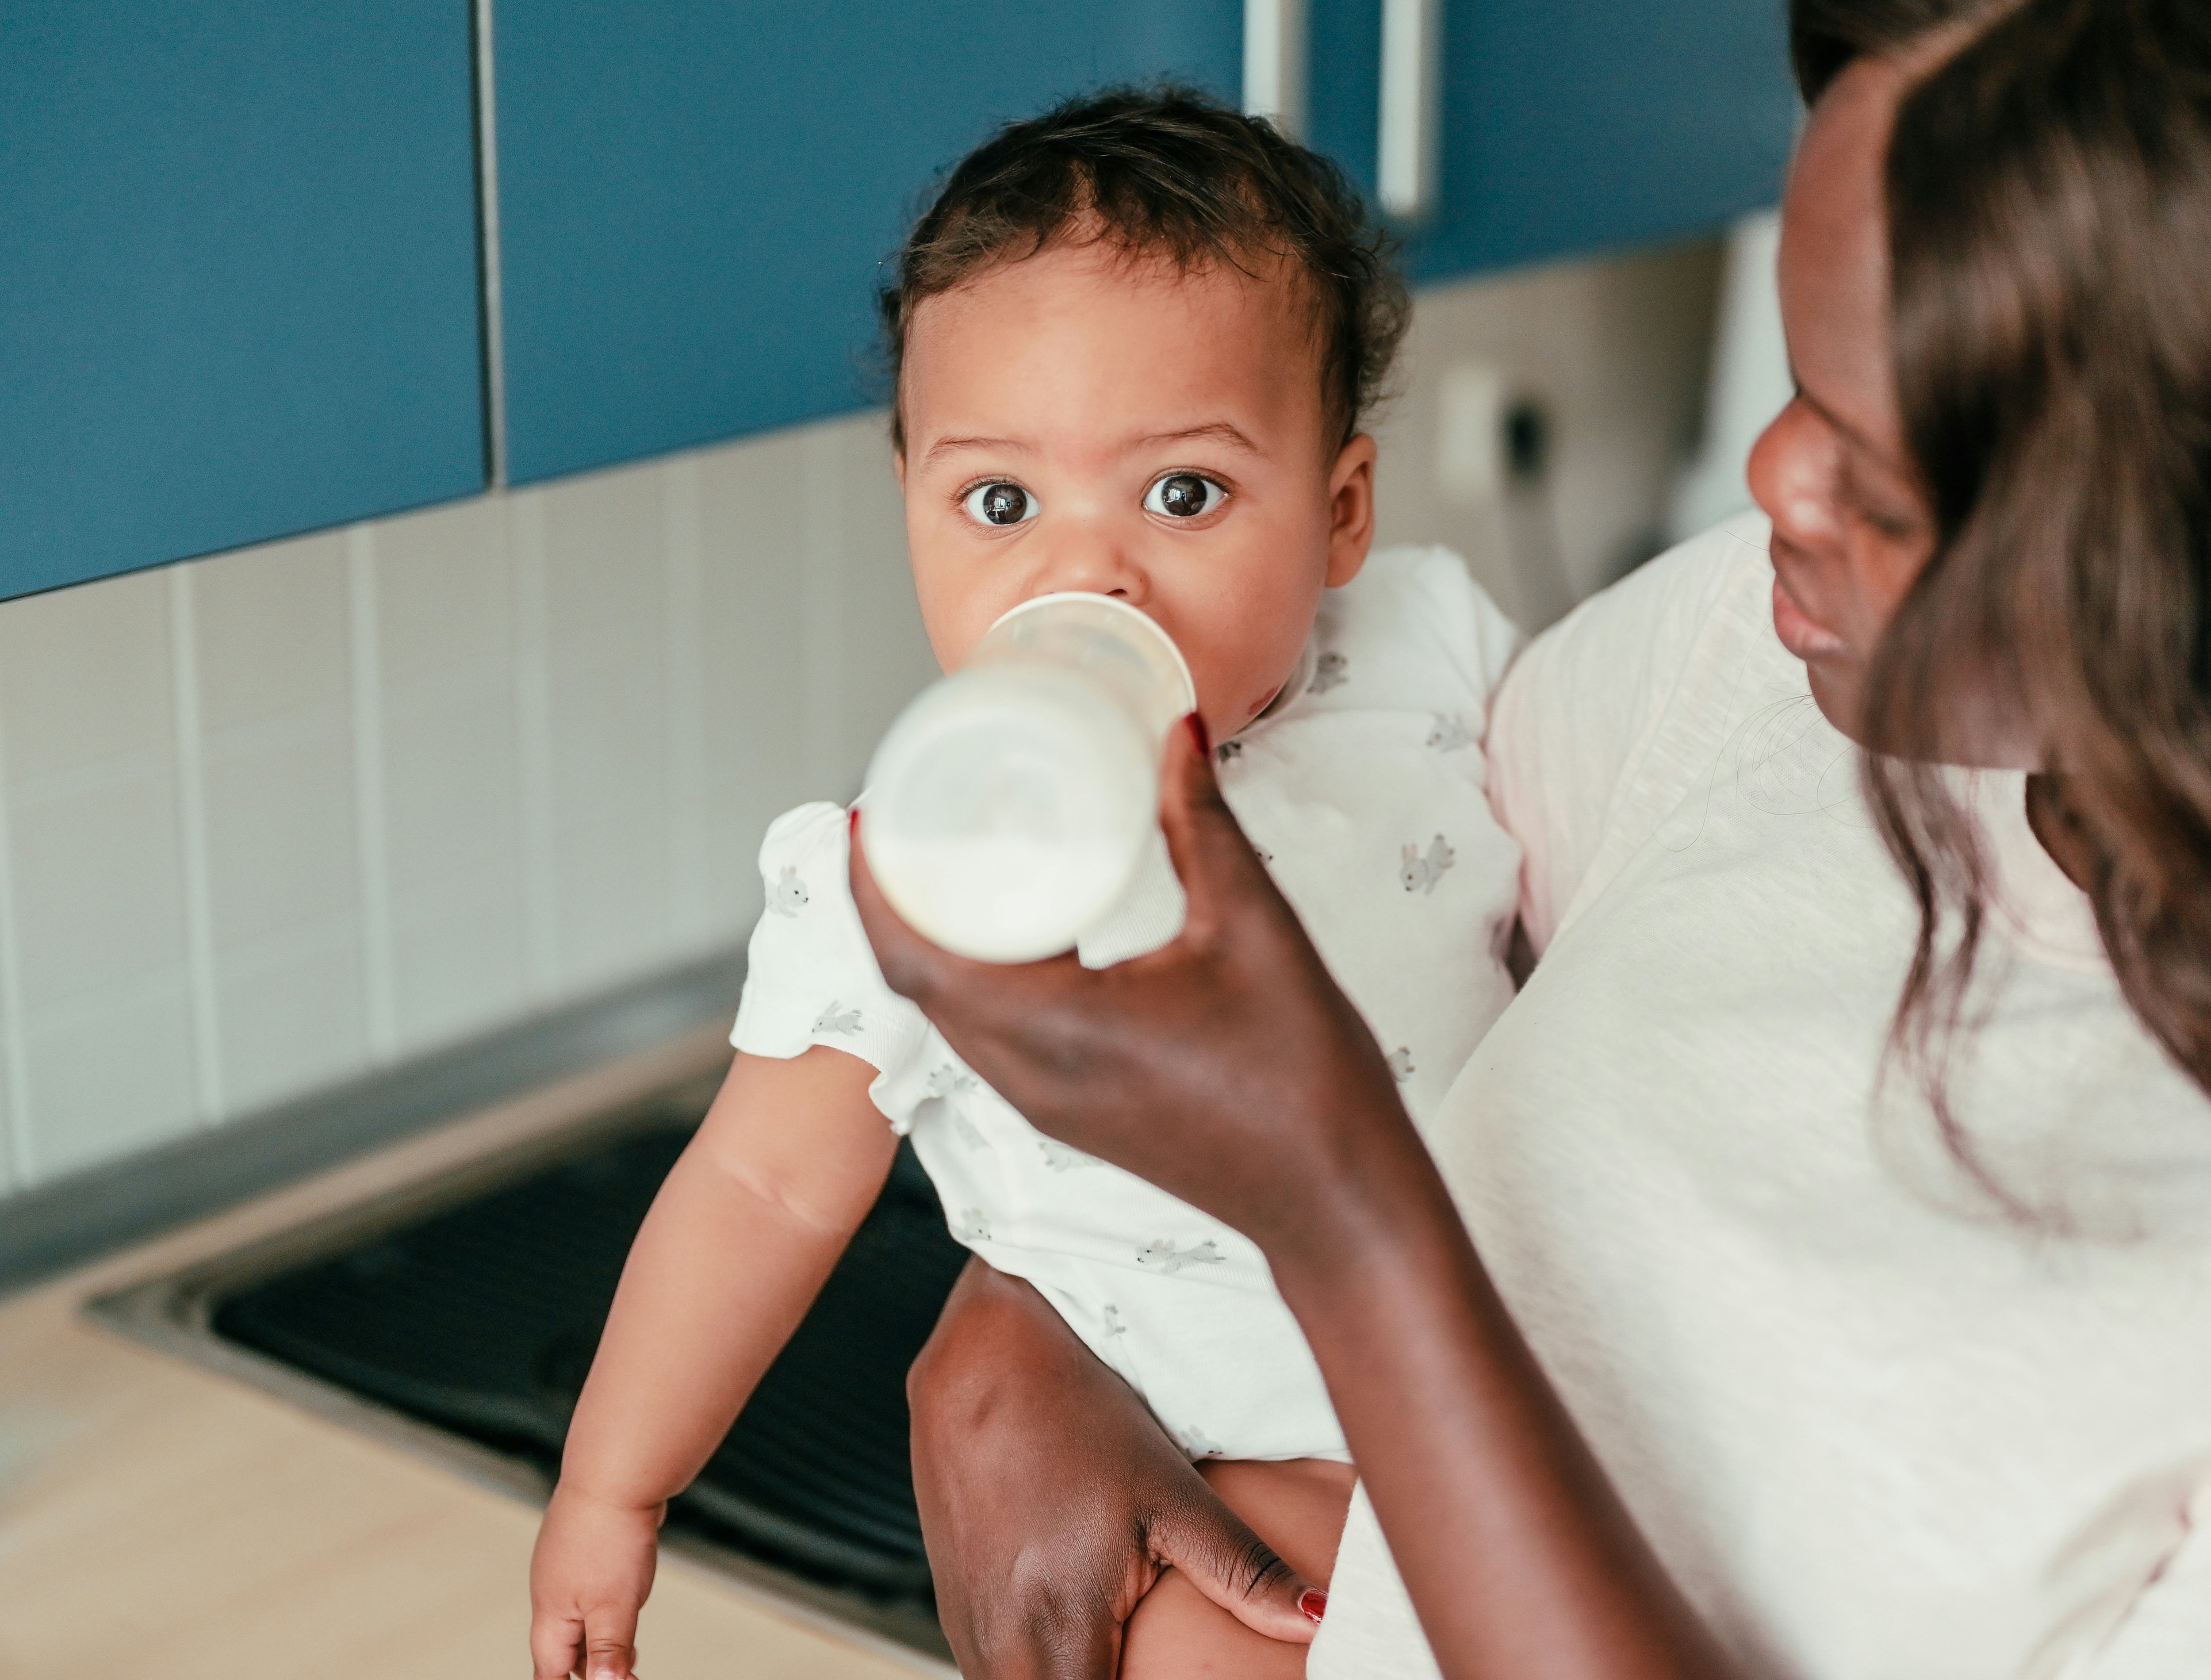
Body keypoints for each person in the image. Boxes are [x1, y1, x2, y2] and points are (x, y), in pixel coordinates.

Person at [864, 0, 2211, 1675]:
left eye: (1880, 475)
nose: (1772, 483)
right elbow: (1366, 930)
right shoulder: (1770, 653)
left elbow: (1332, 1146)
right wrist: (1030, 1312)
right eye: (1805, 387)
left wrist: (1339, 1209)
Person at [526, 90, 1529, 1680]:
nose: (1085, 573)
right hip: (1222, 1468)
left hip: (1518, 1406)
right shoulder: (905, 866)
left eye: (1184, 493)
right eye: (1000, 504)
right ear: (912, 504)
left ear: (1341, 513)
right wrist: (612, 1488)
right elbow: (762, 1186)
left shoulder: (1429, 648)